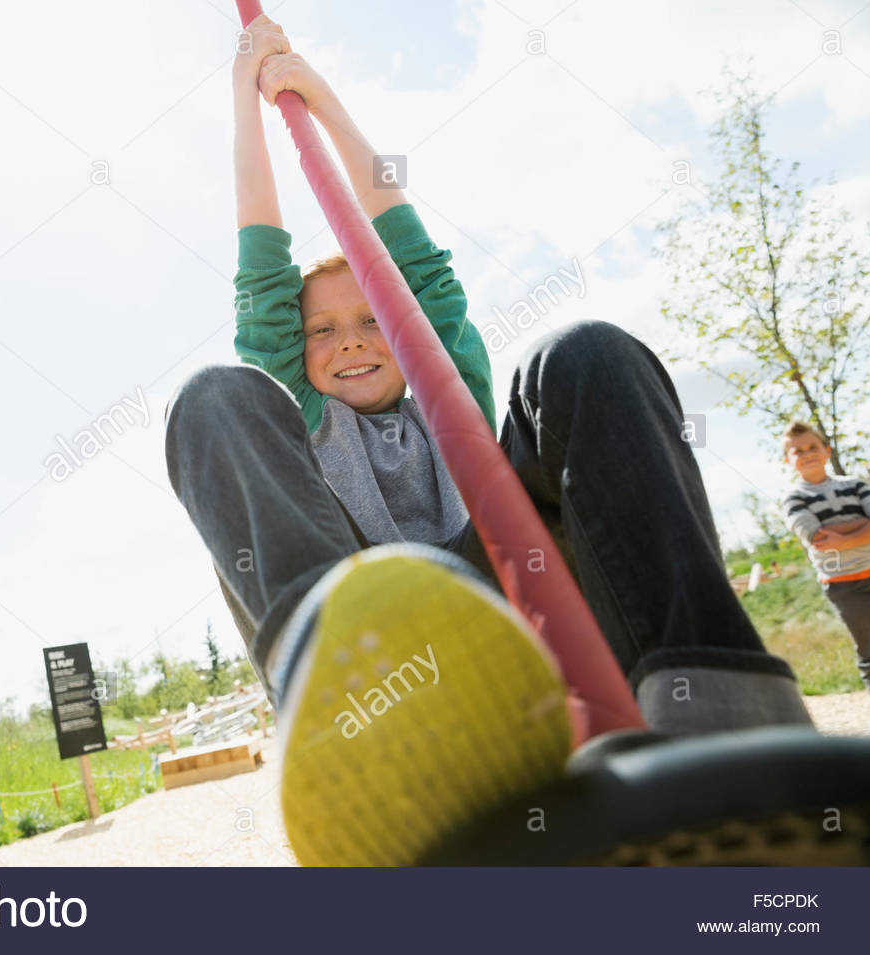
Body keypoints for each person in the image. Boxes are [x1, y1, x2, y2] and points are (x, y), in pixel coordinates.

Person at [164, 15, 812, 866]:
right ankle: (352, 710)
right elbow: (261, 270)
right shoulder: (308, 414)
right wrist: (247, 103)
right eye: (321, 330)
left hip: (519, 588)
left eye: (371, 318)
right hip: (382, 643)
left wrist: (317, 94)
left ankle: (720, 714)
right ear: (298, 346)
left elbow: (410, 255)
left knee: (582, 352)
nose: (352, 339)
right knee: (215, 398)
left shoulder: (446, 388)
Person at [780, 421, 870, 707]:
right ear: (788, 460)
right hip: (844, 584)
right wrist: (864, 527)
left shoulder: (855, 484)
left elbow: (831, 537)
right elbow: (817, 538)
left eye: (813, 447)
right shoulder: (792, 498)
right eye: (798, 451)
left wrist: (842, 538)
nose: (807, 454)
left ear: (826, 451)